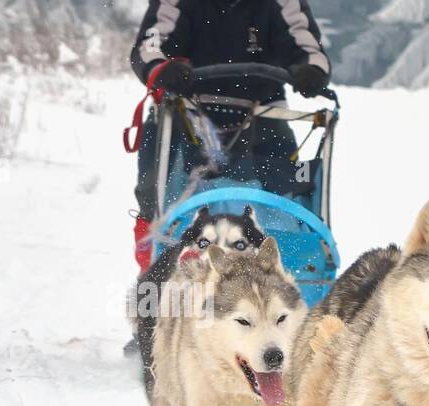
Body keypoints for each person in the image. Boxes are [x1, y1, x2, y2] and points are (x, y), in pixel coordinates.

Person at [129, 0, 331, 271]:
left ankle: (292, 266)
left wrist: (312, 69)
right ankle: (159, 259)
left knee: (287, 192)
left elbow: (307, 46)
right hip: (189, 111)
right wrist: (161, 67)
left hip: (262, 112)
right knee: (160, 179)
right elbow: (150, 46)